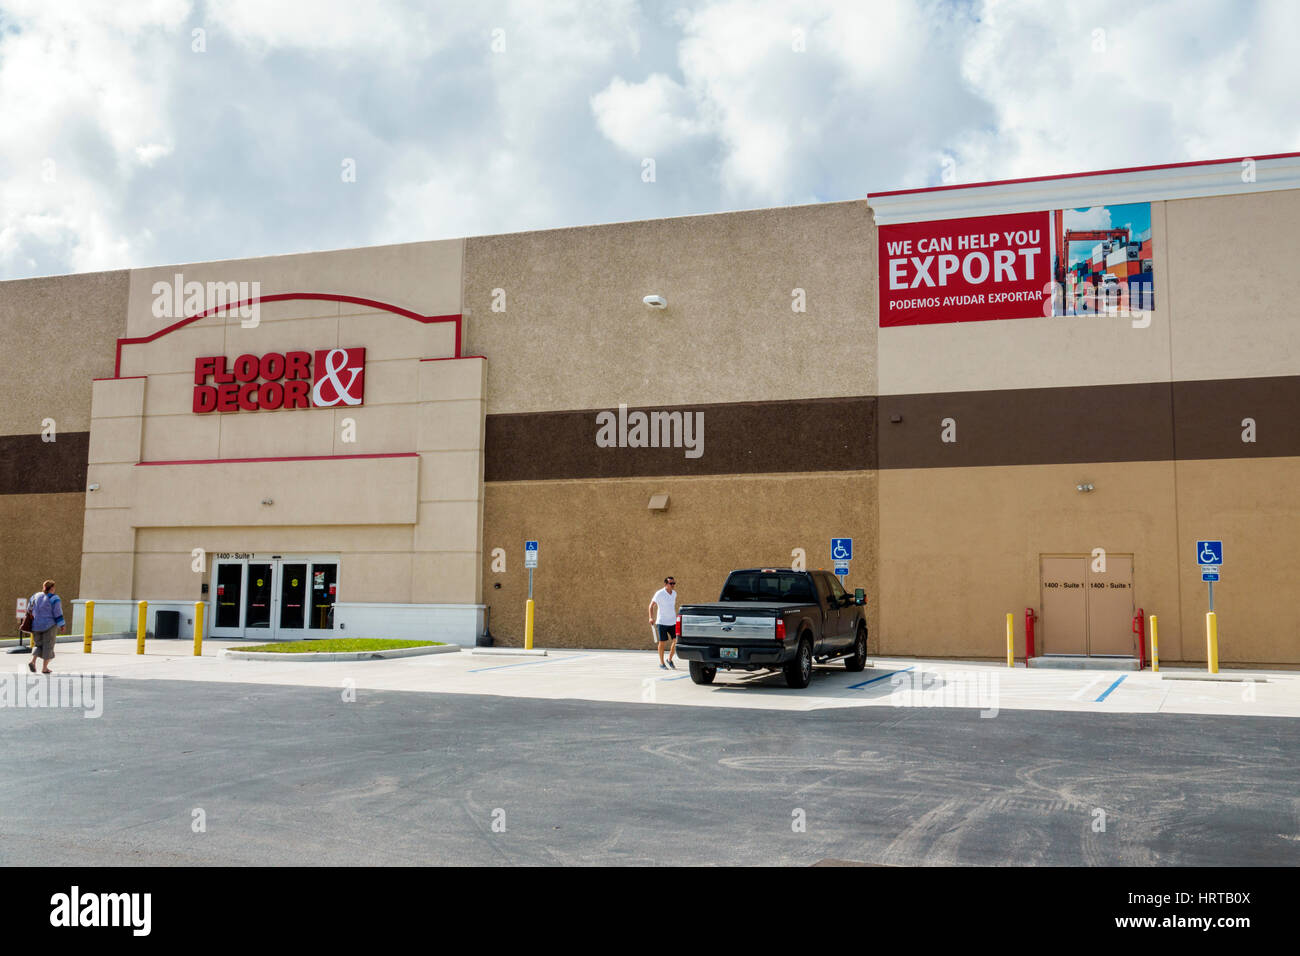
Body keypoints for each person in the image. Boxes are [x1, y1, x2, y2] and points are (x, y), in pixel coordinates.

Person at [28, 579, 65, 675]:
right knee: (48, 646)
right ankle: (45, 668)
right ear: (52, 588)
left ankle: (33, 661)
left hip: (36, 625)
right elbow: (57, 612)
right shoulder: (54, 598)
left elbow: (29, 609)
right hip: (49, 625)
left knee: (38, 645)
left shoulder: (35, 596)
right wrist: (62, 624)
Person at [648, 576, 678, 670]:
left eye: (674, 583)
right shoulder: (659, 593)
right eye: (671, 583)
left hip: (673, 622)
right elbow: (651, 606)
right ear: (665, 584)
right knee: (662, 643)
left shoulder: (674, 593)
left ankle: (669, 659)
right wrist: (650, 617)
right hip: (662, 622)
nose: (673, 585)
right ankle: (661, 663)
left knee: (676, 641)